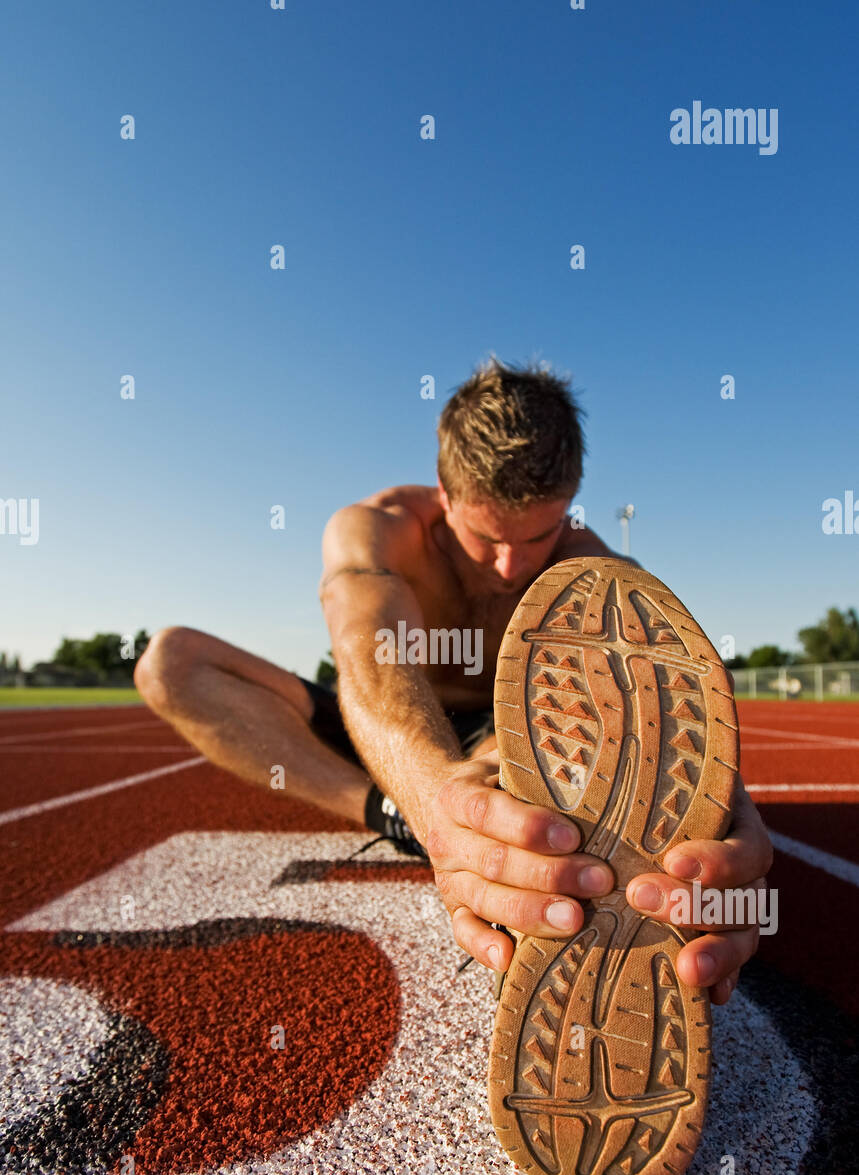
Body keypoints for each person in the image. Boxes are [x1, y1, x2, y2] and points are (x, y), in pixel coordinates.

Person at [134, 355, 771, 1006]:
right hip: (387, 722)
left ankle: (475, 814)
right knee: (171, 661)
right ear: (443, 490)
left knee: (516, 762)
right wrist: (429, 801)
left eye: (539, 535)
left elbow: (664, 699)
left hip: (505, 736)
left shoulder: (590, 562)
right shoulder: (377, 529)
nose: (510, 563)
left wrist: (716, 799)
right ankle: (391, 814)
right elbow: (371, 653)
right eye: (486, 536)